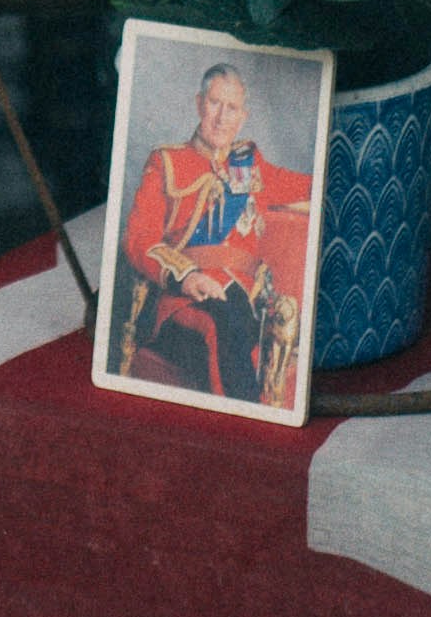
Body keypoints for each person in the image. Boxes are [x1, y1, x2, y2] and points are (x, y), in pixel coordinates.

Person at [109, 61, 313, 405]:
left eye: (231, 108)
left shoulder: (250, 165)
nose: (221, 117)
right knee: (224, 325)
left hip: (243, 301)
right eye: (214, 103)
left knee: (237, 321)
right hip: (181, 301)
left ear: (242, 116)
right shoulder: (166, 163)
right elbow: (139, 238)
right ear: (199, 104)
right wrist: (187, 277)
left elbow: (311, 188)